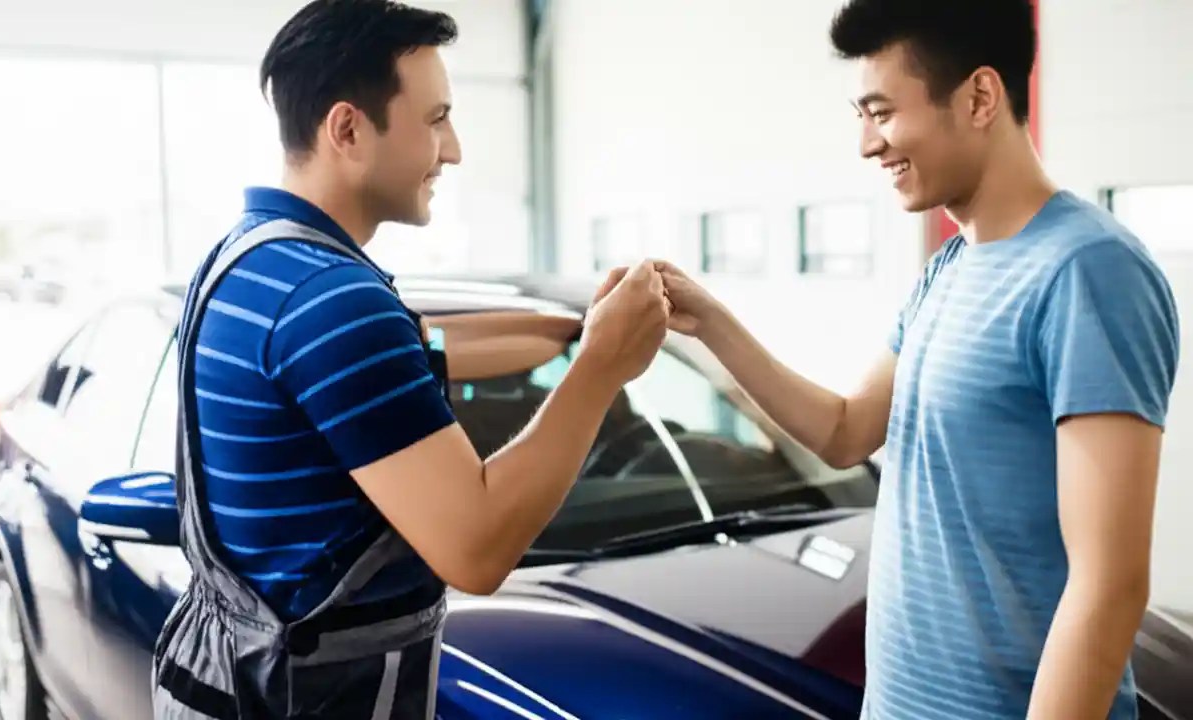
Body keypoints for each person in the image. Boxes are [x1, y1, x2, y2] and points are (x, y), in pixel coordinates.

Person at [657, 1, 1179, 718]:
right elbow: (846, 431)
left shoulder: (1089, 271)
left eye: (881, 112)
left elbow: (1110, 582)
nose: (868, 144)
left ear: (979, 98)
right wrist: (711, 323)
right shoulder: (953, 265)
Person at [151, 1, 669, 718]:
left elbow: (413, 362)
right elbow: (477, 549)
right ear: (348, 129)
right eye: (435, 120)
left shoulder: (247, 260)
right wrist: (602, 370)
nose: (452, 149)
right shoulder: (331, 300)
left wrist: (582, 332)